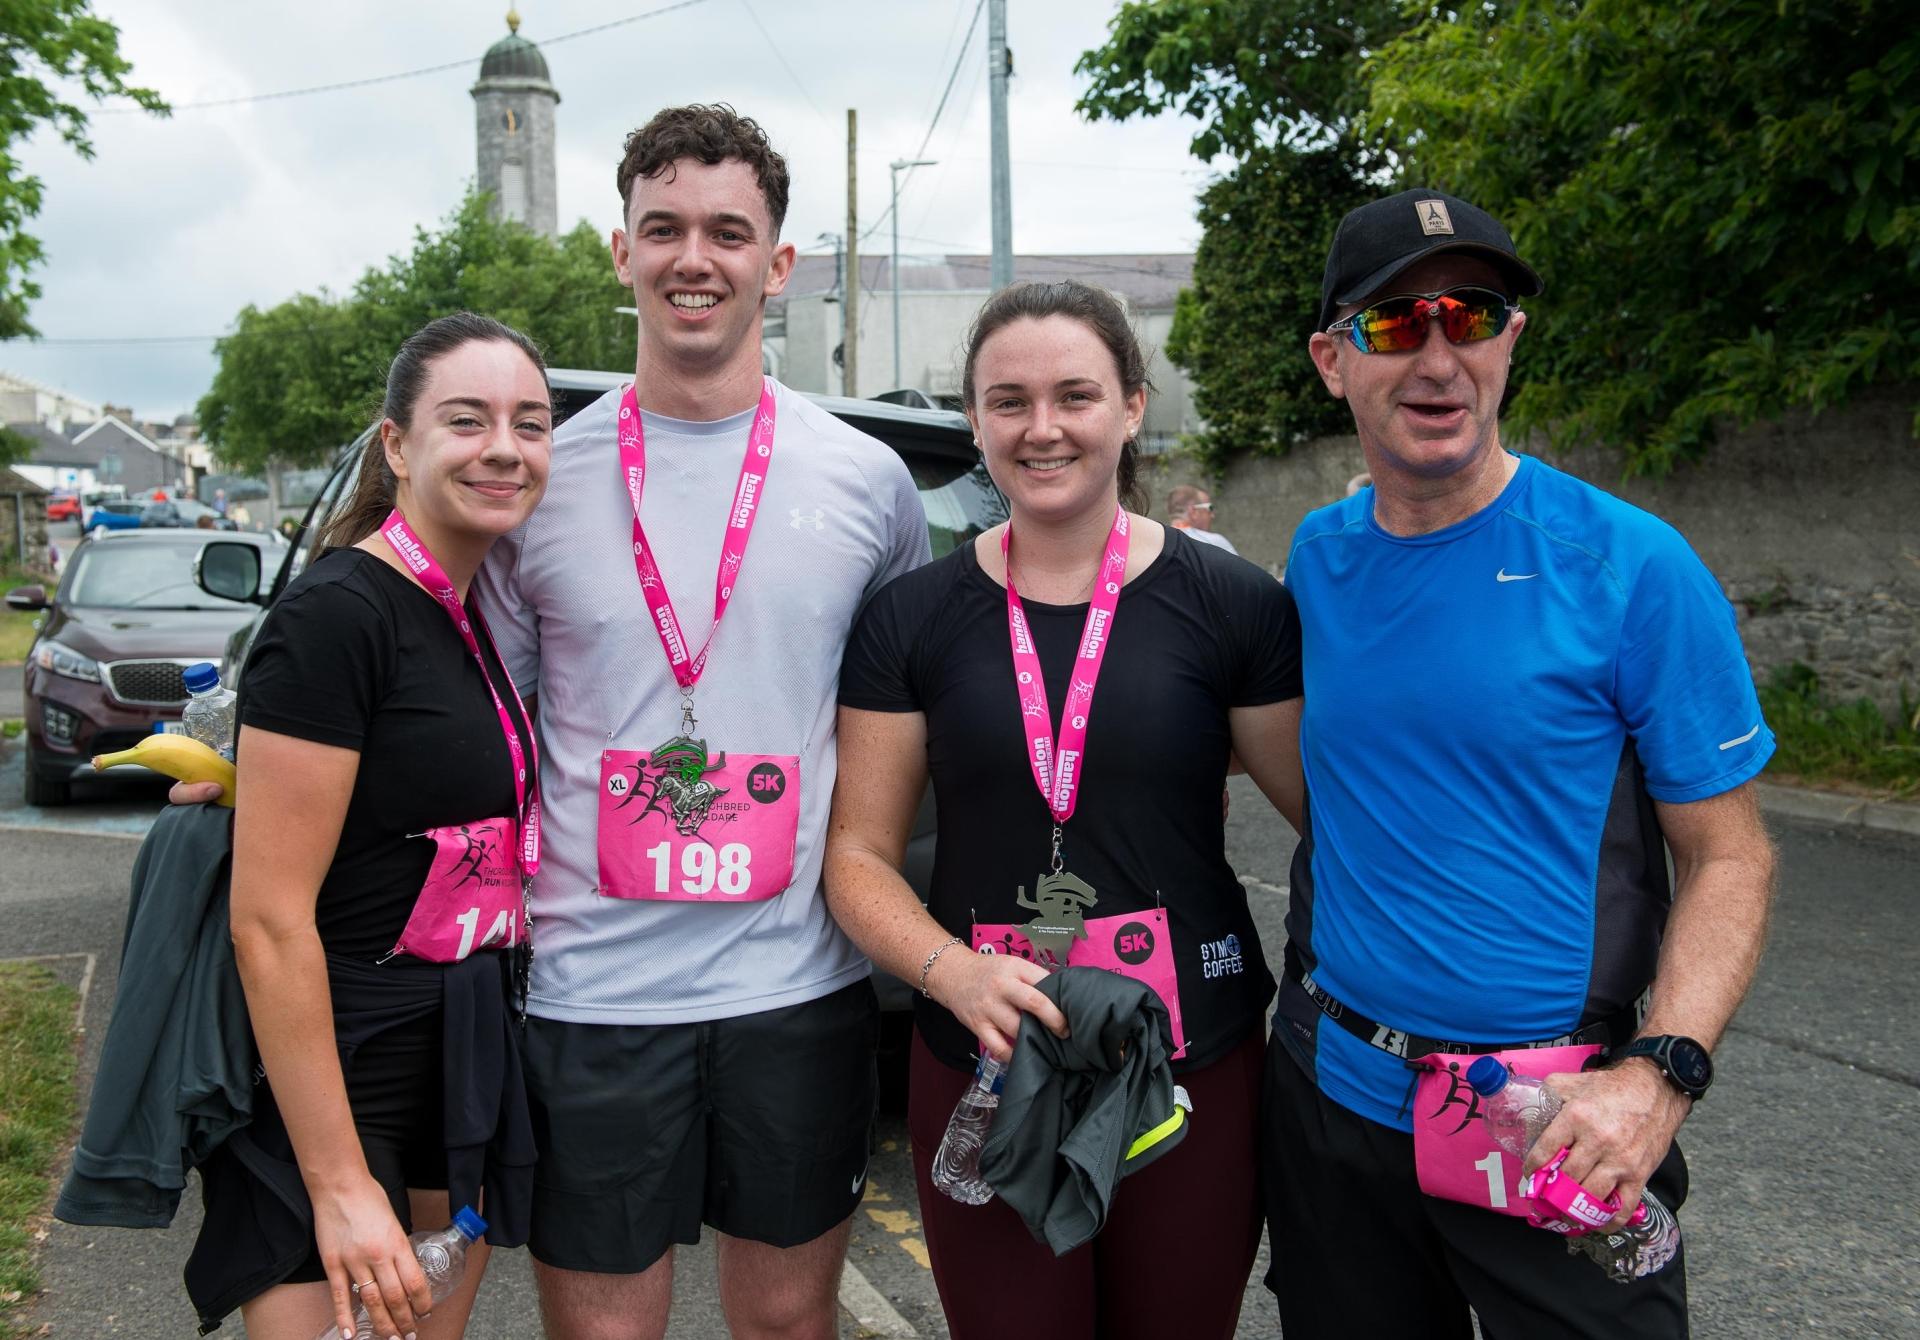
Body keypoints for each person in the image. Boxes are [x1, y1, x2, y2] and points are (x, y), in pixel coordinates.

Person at [1263, 187, 1777, 1337]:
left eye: (1472, 315)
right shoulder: (1319, 554)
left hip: (1554, 1118)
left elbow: (1731, 856)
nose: (1439, 354)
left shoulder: (1635, 565)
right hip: (1333, 1102)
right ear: (1330, 359)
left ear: (1511, 341)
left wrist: (1659, 1074)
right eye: (1395, 325)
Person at [475, 105, 926, 1340]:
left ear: (778, 266)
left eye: (730, 232)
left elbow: (912, 715)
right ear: (618, 251)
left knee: (786, 1321)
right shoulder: (539, 482)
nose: (695, 257)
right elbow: (479, 723)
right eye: (662, 227)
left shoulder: (866, 481)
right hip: (591, 990)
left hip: (798, 984)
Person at [826, 279, 1304, 1340]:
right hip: (989, 1056)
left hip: (1191, 1057)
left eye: (1074, 395)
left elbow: (1334, 814)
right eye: (1009, 401)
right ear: (975, 421)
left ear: (1132, 406)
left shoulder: (1233, 605)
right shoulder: (912, 617)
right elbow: (856, 853)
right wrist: (951, 972)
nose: (1042, 428)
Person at [190, 312, 551, 1339]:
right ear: (396, 445)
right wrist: (341, 1182)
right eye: (467, 419)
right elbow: (267, 920)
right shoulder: (337, 613)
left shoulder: (467, 608)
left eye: (530, 424)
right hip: (341, 1068)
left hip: (459, 1046)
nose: (503, 447)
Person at [1166, 482, 1238, 553]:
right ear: (1193, 512)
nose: (1212, 515)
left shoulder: (1160, 543)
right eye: (1210, 507)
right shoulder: (1214, 543)